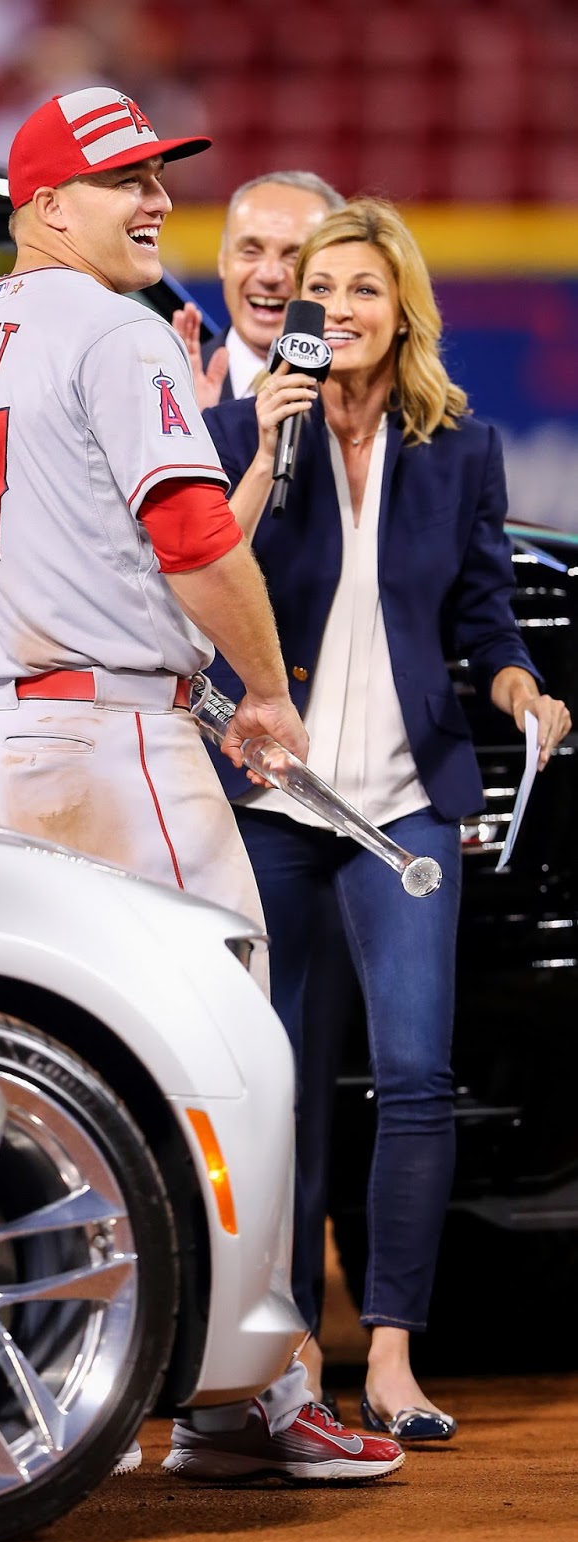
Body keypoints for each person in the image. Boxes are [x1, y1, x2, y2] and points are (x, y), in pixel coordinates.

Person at [0, 84, 404, 1485]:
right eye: (122, 182)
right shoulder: (112, 331)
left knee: (32, 1074)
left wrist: (31, 562)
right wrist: (270, 697)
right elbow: (191, 528)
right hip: (114, 750)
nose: (156, 198)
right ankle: (253, 1397)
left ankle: (52, 1369)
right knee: (227, 1057)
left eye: (160, 174)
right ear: (44, 207)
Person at [201, 197, 572, 1443]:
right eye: (324, 290)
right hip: (273, 804)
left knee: (416, 1074)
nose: (343, 310)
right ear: (296, 310)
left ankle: (396, 1354)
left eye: (366, 288)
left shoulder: (458, 443)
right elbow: (201, 579)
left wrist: (521, 687)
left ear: (402, 304)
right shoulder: (238, 428)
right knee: (282, 1086)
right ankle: (293, 1355)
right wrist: (262, 448)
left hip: (407, 804)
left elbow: (482, 612)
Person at [171, 170, 344, 410]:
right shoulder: (171, 385)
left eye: (295, 256)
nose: (269, 275)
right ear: (223, 260)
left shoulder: (356, 395)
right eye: (250, 252)